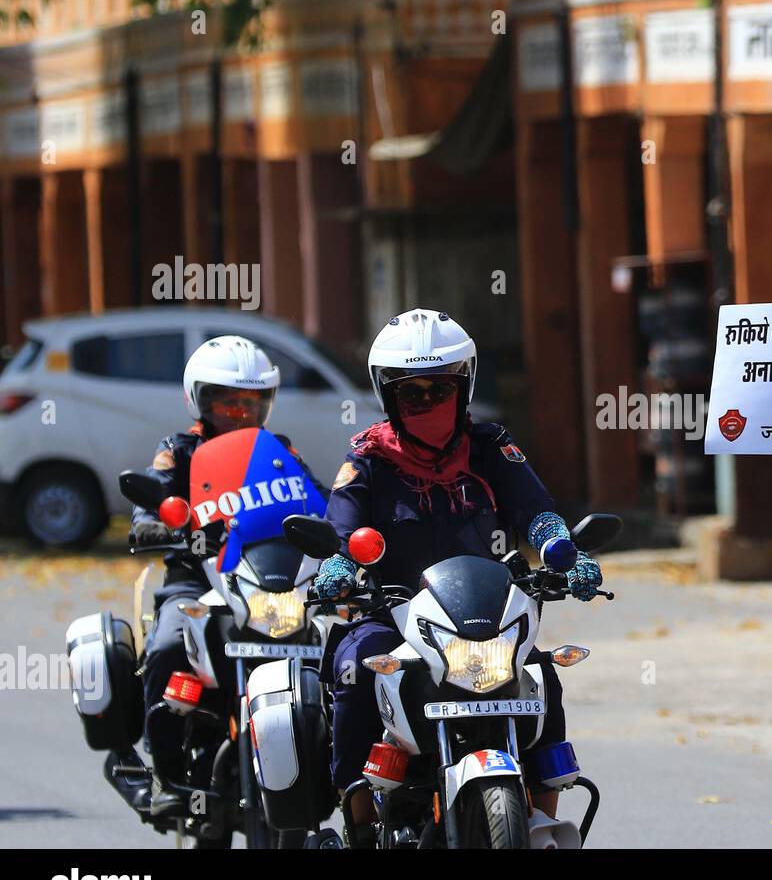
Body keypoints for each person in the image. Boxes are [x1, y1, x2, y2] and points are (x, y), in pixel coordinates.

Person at [312, 309, 603, 848]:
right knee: (355, 667)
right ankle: (358, 820)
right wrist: (339, 566)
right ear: (387, 396)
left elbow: (537, 514)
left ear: (463, 386)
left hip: (485, 618)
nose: (426, 403)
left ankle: (540, 815)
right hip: (393, 616)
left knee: (541, 673)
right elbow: (342, 529)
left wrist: (565, 556)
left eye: (439, 390)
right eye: (411, 394)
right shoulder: (368, 458)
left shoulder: (492, 446)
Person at [130, 335, 323, 818]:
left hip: (269, 582)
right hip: (199, 580)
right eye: (228, 402)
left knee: (337, 648)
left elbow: (320, 502)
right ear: (200, 400)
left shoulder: (279, 452)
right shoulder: (179, 450)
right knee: (169, 645)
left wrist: (344, 528)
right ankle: (166, 774)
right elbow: (146, 511)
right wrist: (161, 526)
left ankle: (338, 770)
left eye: (251, 403)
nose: (240, 413)